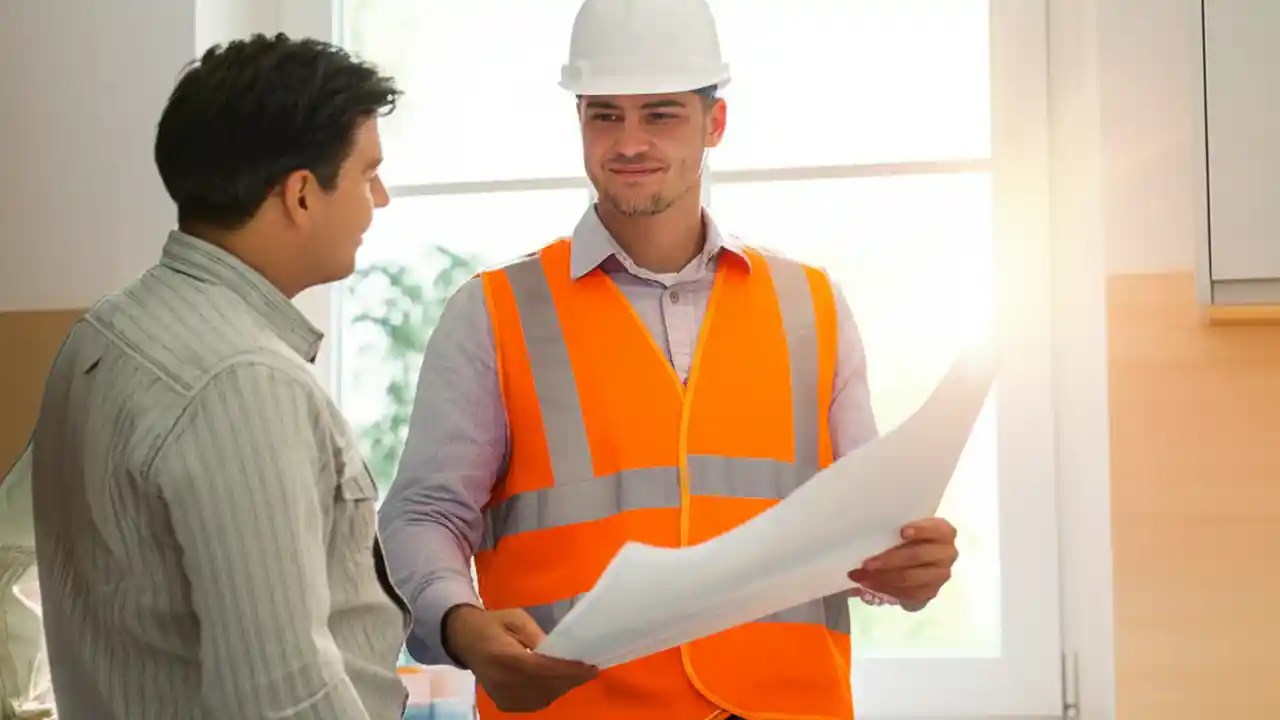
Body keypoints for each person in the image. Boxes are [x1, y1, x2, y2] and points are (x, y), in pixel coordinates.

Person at [380, 0, 960, 717]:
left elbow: (865, 528)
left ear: (714, 123)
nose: (629, 142)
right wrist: (461, 628)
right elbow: (424, 513)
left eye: (660, 115)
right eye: (605, 114)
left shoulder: (811, 306)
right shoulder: (494, 312)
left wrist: (904, 569)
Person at [29, 34, 410, 720]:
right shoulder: (244, 382)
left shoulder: (107, 331)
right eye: (365, 174)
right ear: (300, 195)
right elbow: (281, 695)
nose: (378, 199)